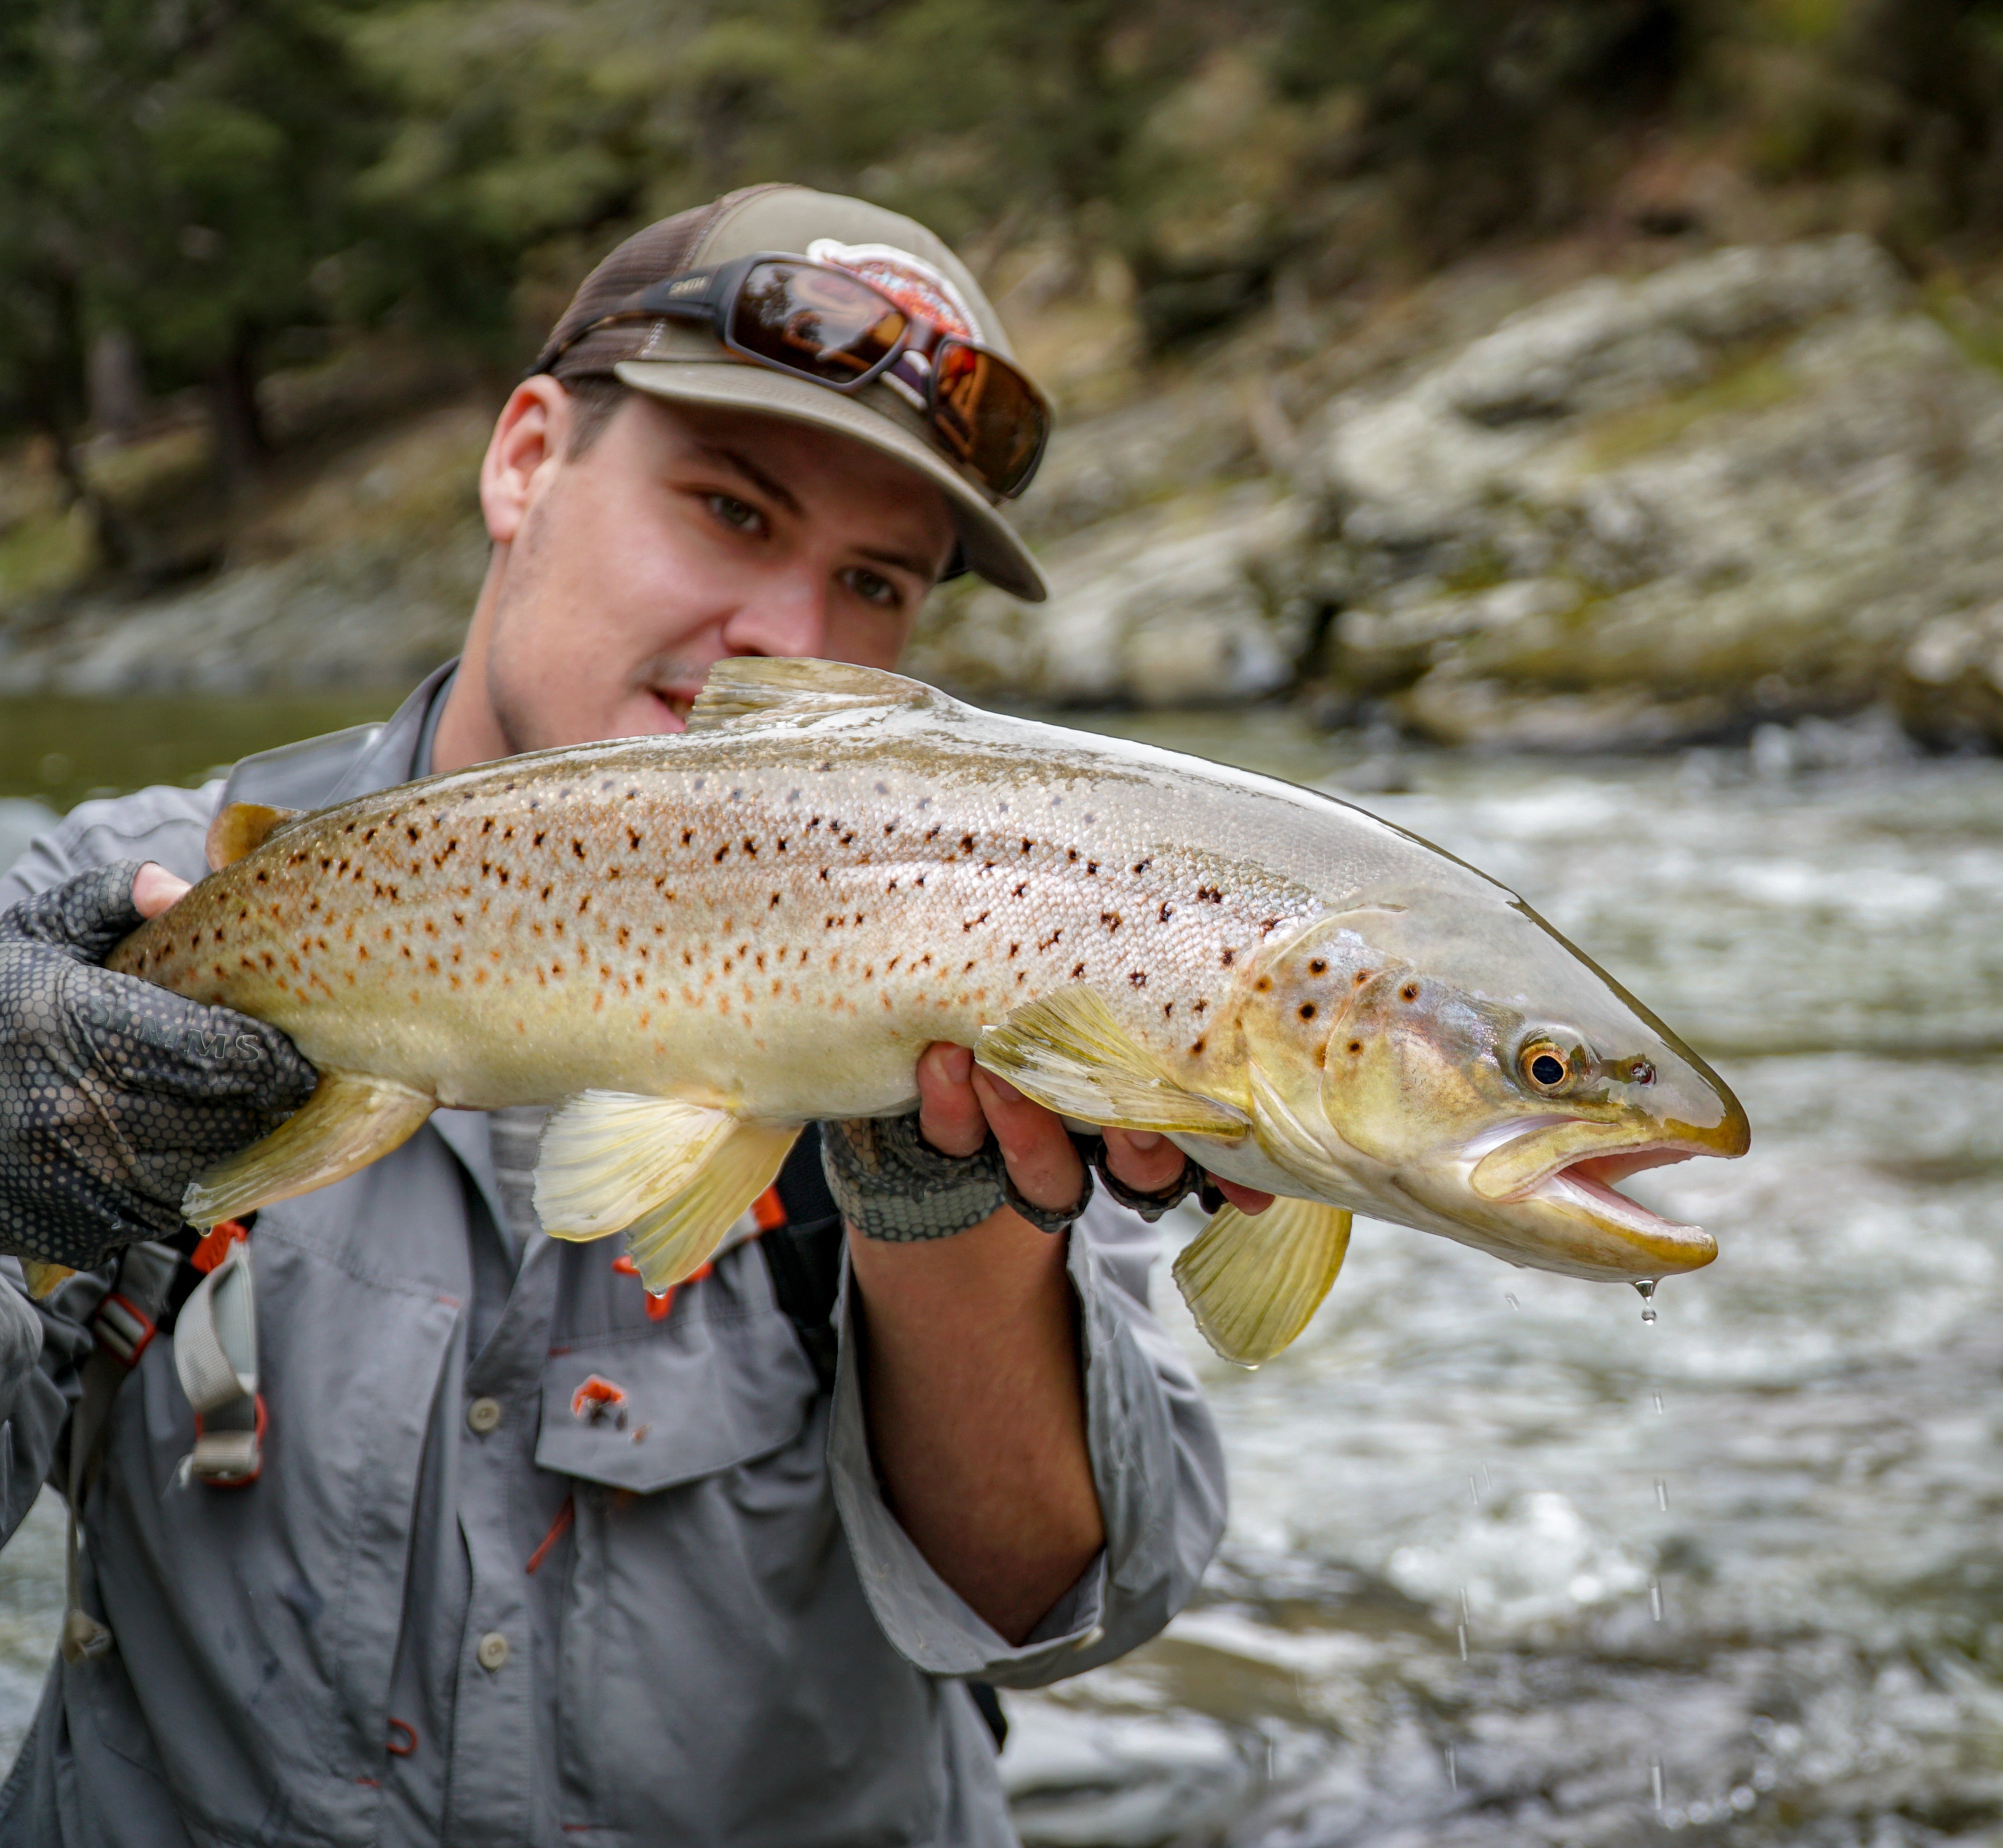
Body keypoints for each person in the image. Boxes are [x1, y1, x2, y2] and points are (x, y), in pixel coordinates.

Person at [0, 184, 1246, 1845]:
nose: (789, 638)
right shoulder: (109, 917)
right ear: (527, 459)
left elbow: (1065, 1602)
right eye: (732, 510)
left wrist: (950, 1228)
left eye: (876, 583)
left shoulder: (999, 969)